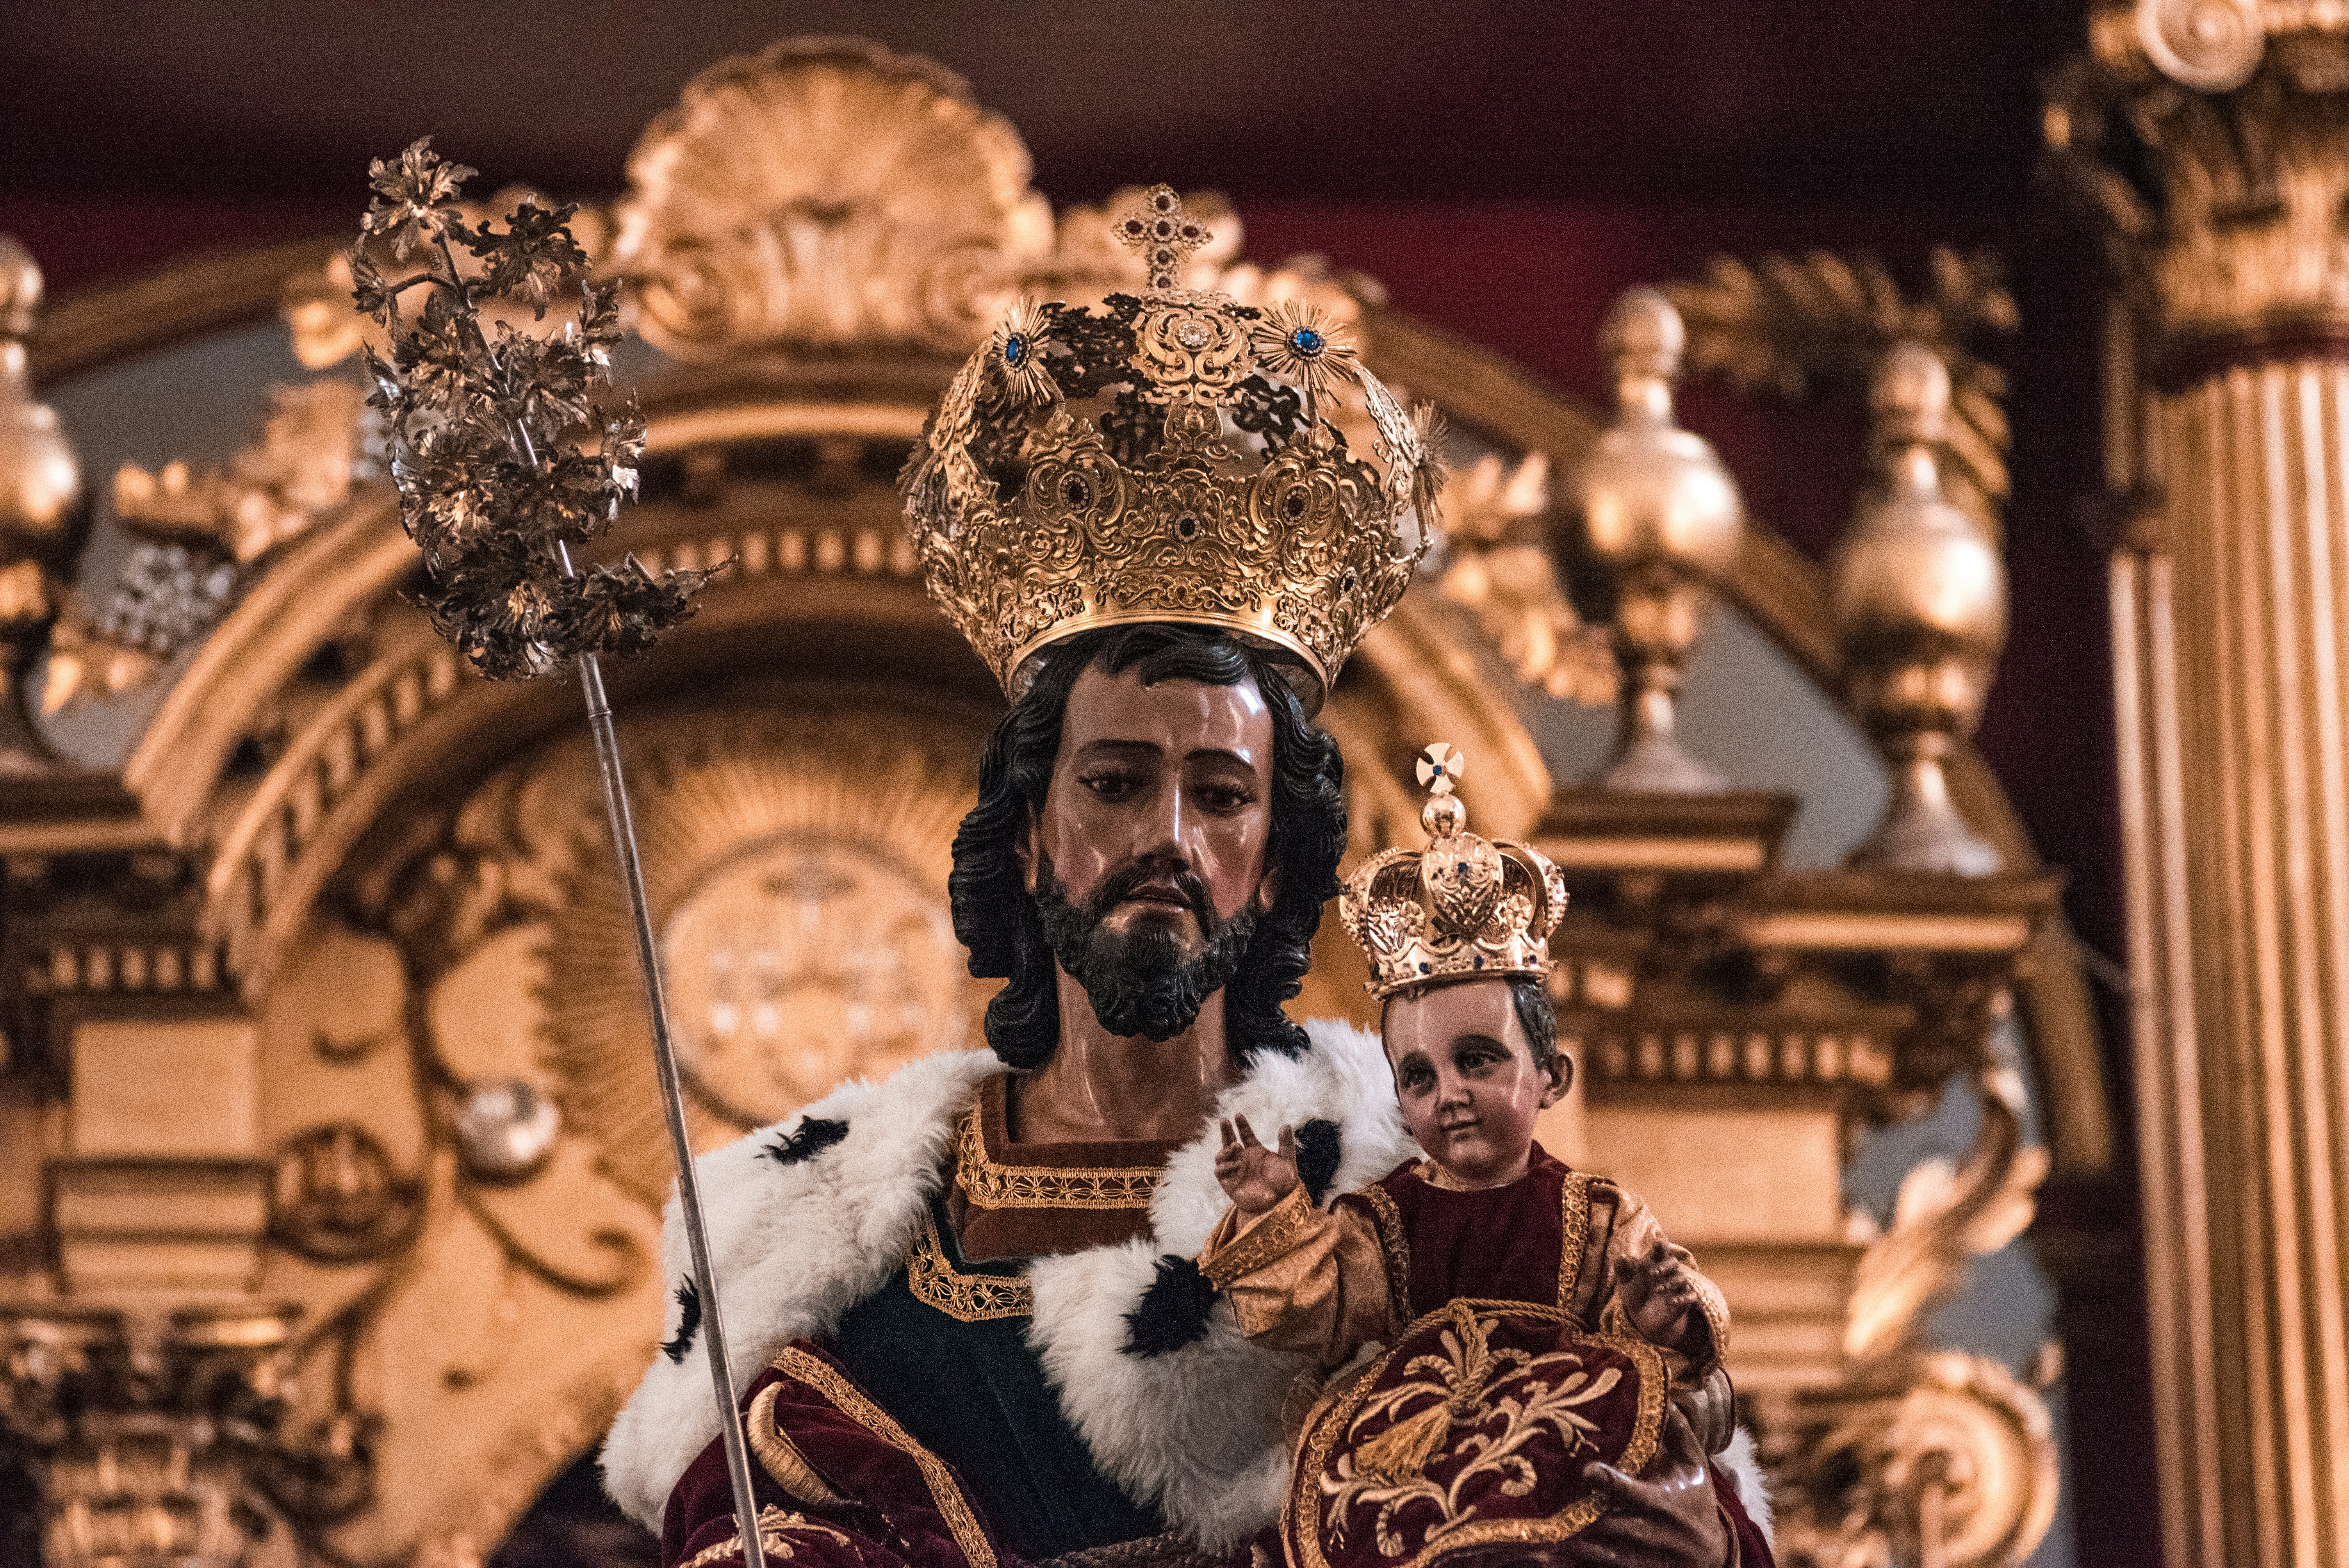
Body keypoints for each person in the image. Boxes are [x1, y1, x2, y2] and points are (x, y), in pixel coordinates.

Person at [600, 198, 1772, 1568]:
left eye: (1218, 795)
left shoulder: (1427, 1202)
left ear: (1274, 861)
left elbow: (1633, 1469)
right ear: (1033, 833)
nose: (1166, 834)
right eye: (1112, 782)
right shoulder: (831, 1244)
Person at [1199, 747, 1768, 1564]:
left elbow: (1686, 1396)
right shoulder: (1386, 1217)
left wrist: (1662, 1324)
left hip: (1564, 1448)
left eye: (1477, 1060)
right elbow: (1315, 1304)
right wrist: (1274, 1211)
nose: (1449, 1095)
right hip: (1412, 1454)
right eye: (1419, 1077)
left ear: (1550, 1077)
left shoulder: (1598, 1215)